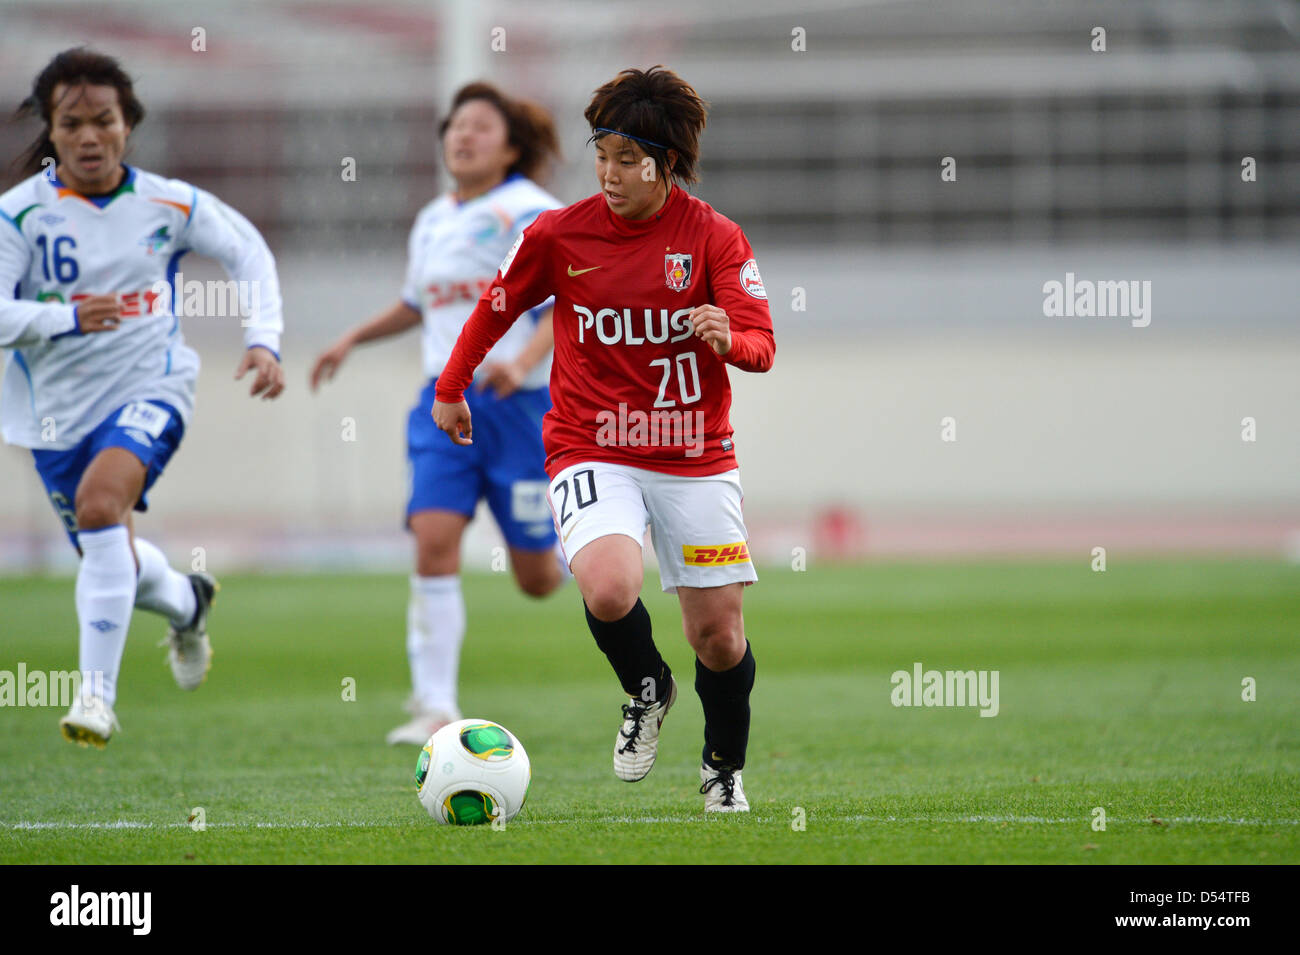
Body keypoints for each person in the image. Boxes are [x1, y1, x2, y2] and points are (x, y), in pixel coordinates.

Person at [432, 66, 775, 812]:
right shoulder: (559, 233)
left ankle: (723, 766)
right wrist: (450, 385)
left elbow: (763, 342)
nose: (610, 173)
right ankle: (646, 687)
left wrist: (730, 338)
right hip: (593, 443)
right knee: (611, 585)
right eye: (603, 154)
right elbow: (496, 307)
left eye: (628, 159)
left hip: (694, 453)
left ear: (667, 163)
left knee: (718, 636)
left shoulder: (714, 236)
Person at [0, 48, 286, 747]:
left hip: (151, 386)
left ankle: (95, 697)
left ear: (129, 125)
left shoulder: (169, 202)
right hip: (52, 416)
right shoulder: (18, 217)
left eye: (104, 120)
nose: (89, 137)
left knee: (102, 508)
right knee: (109, 555)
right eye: (73, 123)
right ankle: (188, 601)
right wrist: (67, 316)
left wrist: (264, 337)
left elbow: (246, 248)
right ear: (52, 128)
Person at [311, 82, 566, 745]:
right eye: (455, 126)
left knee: (539, 580)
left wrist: (525, 359)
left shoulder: (533, 211)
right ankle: (434, 705)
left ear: (510, 145)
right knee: (432, 540)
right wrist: (351, 339)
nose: (463, 136)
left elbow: (566, 302)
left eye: (480, 126)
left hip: (519, 406)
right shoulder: (432, 219)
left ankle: (577, 532)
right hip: (441, 404)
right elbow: (418, 304)